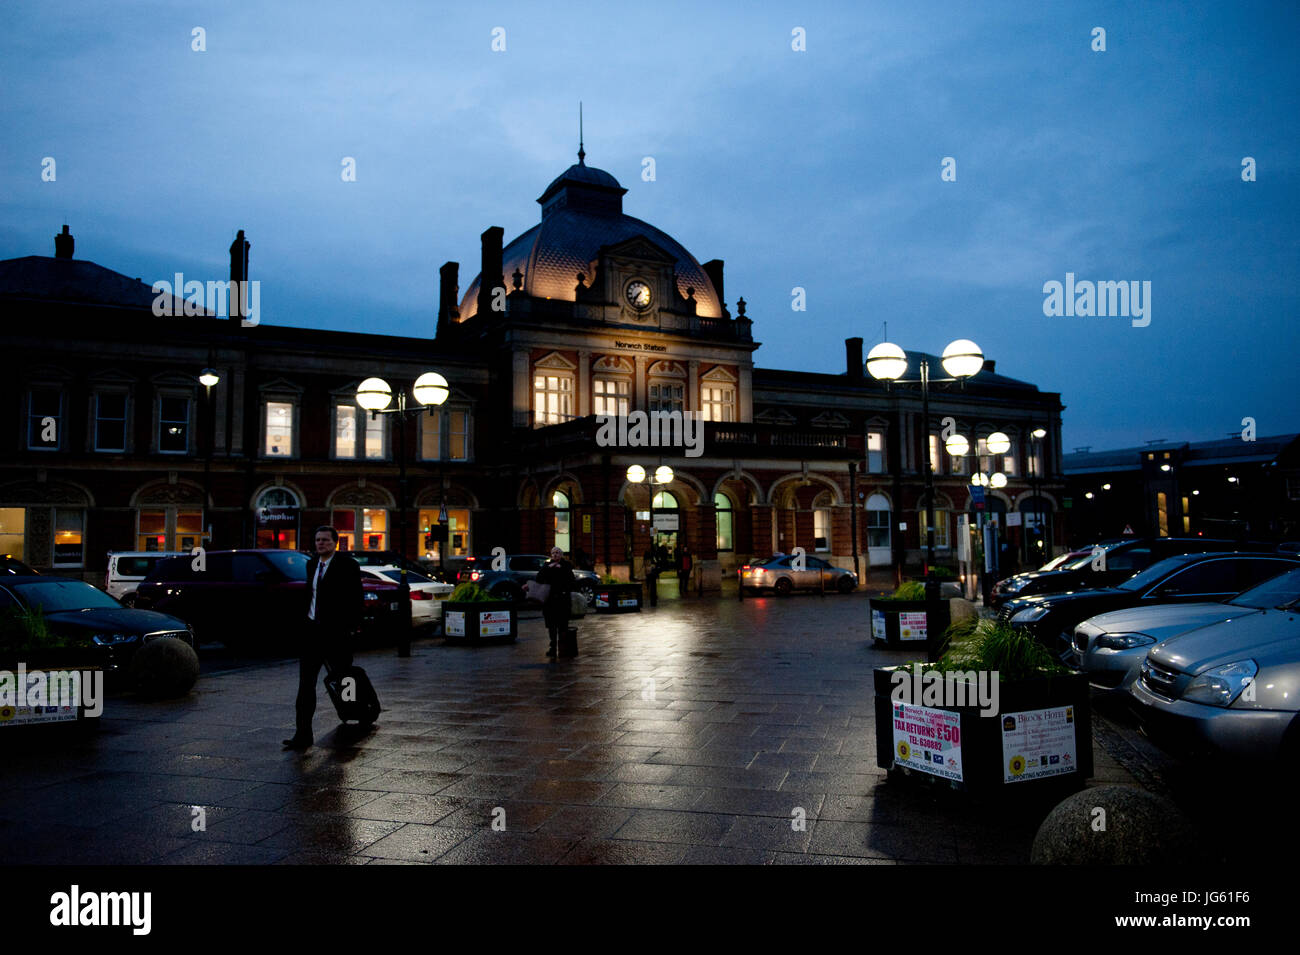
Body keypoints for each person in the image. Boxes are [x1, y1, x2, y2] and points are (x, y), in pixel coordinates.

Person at [285, 525, 362, 749]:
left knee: (344, 679)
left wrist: (351, 628)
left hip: (337, 634)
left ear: (335, 543)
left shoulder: (347, 565)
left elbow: (355, 598)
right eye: (318, 540)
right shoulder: (312, 564)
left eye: (326, 540)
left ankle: (355, 716)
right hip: (312, 633)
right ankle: (302, 735)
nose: (321, 544)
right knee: (305, 686)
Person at [535, 546, 576, 658]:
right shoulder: (546, 565)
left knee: (563, 625)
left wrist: (560, 568)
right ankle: (552, 647)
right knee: (551, 625)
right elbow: (538, 578)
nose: (555, 555)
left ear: (561, 555)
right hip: (550, 601)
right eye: (553, 553)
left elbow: (572, 581)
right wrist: (549, 568)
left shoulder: (566, 565)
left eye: (557, 553)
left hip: (563, 600)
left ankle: (563, 647)